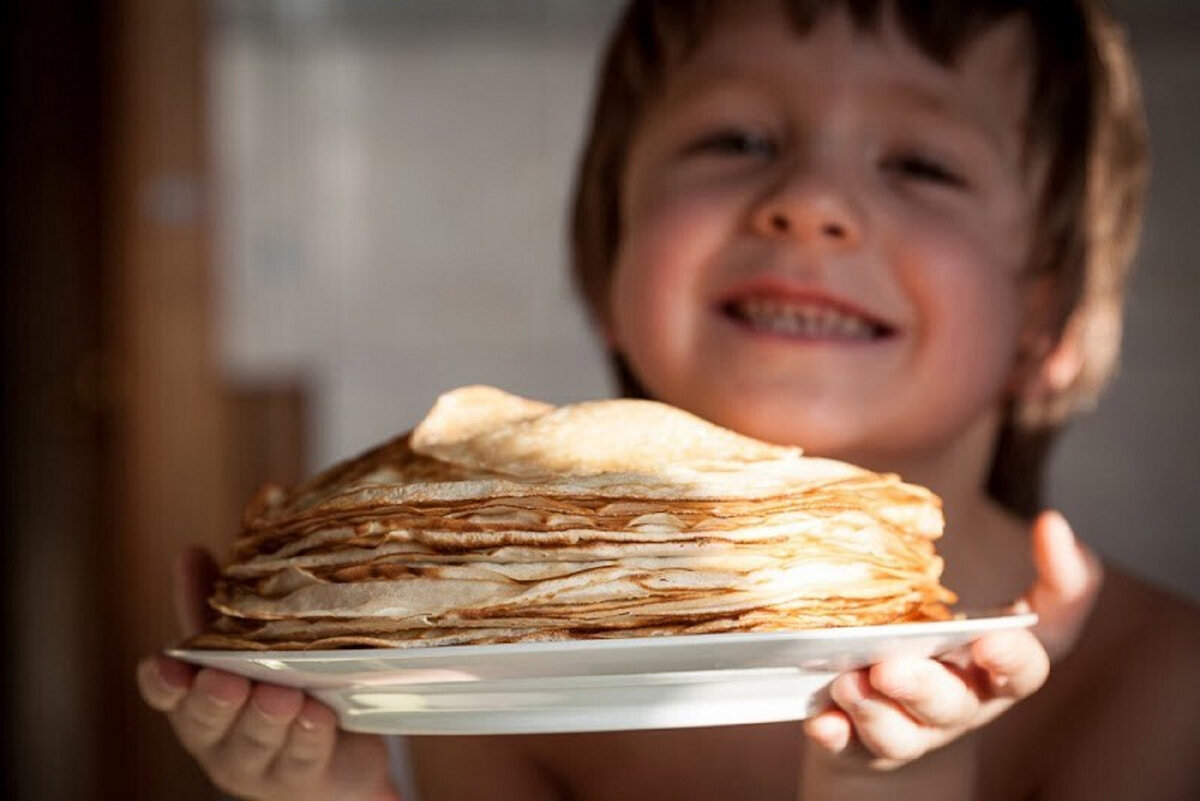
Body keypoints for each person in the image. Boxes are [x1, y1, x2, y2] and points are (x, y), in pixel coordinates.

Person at [136, 1, 1200, 798]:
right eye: (736, 141)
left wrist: (898, 780)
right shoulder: (494, 675)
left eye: (920, 163)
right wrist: (337, 794)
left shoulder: (1162, 691)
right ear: (608, 272)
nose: (807, 205)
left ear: (1043, 328)